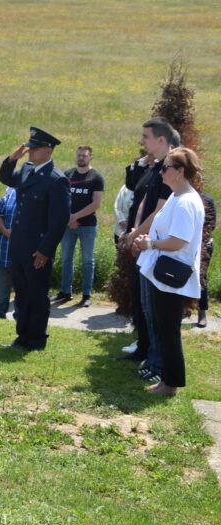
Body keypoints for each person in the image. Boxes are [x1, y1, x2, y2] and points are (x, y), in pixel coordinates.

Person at [133, 147, 205, 396]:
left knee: (169, 330)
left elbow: (177, 242)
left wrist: (150, 244)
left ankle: (171, 384)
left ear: (180, 171)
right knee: (163, 328)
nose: (161, 172)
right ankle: (166, 380)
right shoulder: (177, 196)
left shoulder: (186, 202)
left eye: (166, 168)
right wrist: (148, 240)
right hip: (163, 273)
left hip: (171, 275)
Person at [0, 126, 70, 351]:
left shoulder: (56, 180)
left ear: (48, 150)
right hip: (20, 245)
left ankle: (37, 339)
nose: (29, 151)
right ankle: (23, 336)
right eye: (29, 147)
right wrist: (12, 159)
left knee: (37, 295)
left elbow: (58, 221)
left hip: (37, 248)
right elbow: (5, 177)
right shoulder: (27, 170)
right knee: (21, 294)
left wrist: (45, 251)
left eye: (34, 148)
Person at [118, 118, 181, 372]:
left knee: (154, 308)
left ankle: (156, 362)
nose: (141, 141)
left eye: (146, 137)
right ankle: (146, 352)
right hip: (145, 244)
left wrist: (136, 234)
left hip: (155, 246)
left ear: (161, 140)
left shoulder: (170, 169)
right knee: (144, 305)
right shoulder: (156, 168)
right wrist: (134, 233)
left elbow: (158, 212)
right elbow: (140, 199)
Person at [53, 145, 105, 307]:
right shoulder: (68, 174)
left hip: (88, 226)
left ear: (91, 158)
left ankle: (86, 295)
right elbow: (61, 199)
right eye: (79, 155)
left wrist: (75, 216)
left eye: (84, 155)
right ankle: (65, 292)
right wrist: (69, 218)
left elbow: (96, 204)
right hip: (68, 225)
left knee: (87, 260)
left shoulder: (96, 177)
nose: (81, 158)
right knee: (66, 258)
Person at [0, 187, 17, 319]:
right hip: (4, 251)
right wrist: (5, 231)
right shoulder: (10, 193)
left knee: (23, 288)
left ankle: (20, 315)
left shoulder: (36, 193)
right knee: (1, 286)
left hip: (24, 254)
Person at [197, 192, 215, 328]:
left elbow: (211, 224)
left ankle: (202, 312)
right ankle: (184, 310)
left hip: (204, 244)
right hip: (184, 245)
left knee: (201, 277)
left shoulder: (207, 199)